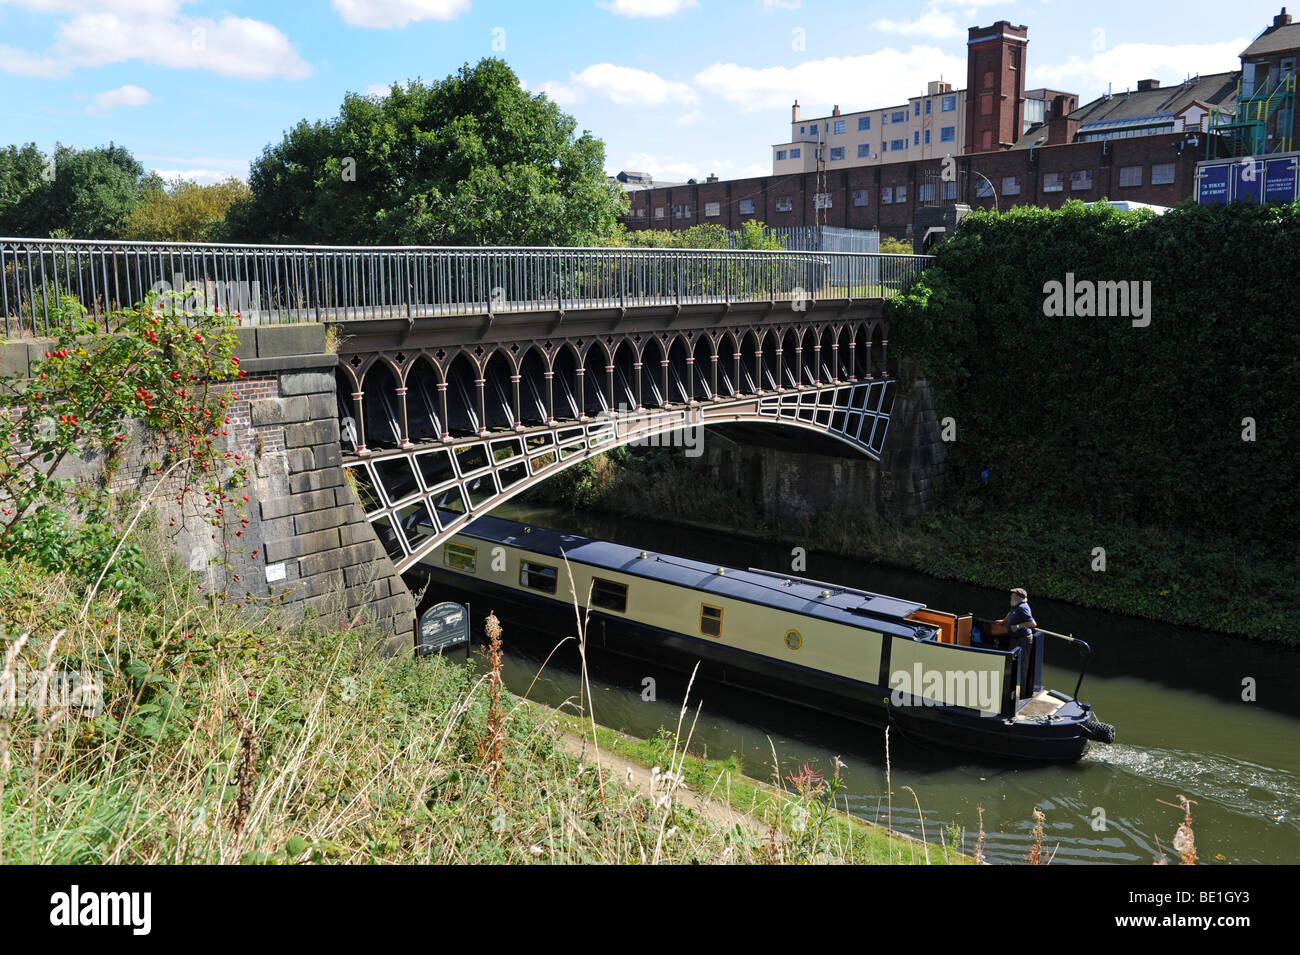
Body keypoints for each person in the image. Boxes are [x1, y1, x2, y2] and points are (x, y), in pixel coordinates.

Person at [998, 588, 1037, 693]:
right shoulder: (1016, 606)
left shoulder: (1023, 607)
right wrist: (1004, 621)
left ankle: (1023, 691)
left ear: (1018, 597)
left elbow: (1033, 624)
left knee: (1023, 665)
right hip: (1015, 639)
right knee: (1011, 662)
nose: (1011, 596)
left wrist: (1018, 626)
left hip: (1023, 640)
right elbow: (1010, 613)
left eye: (1013, 595)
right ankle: (1010, 687)